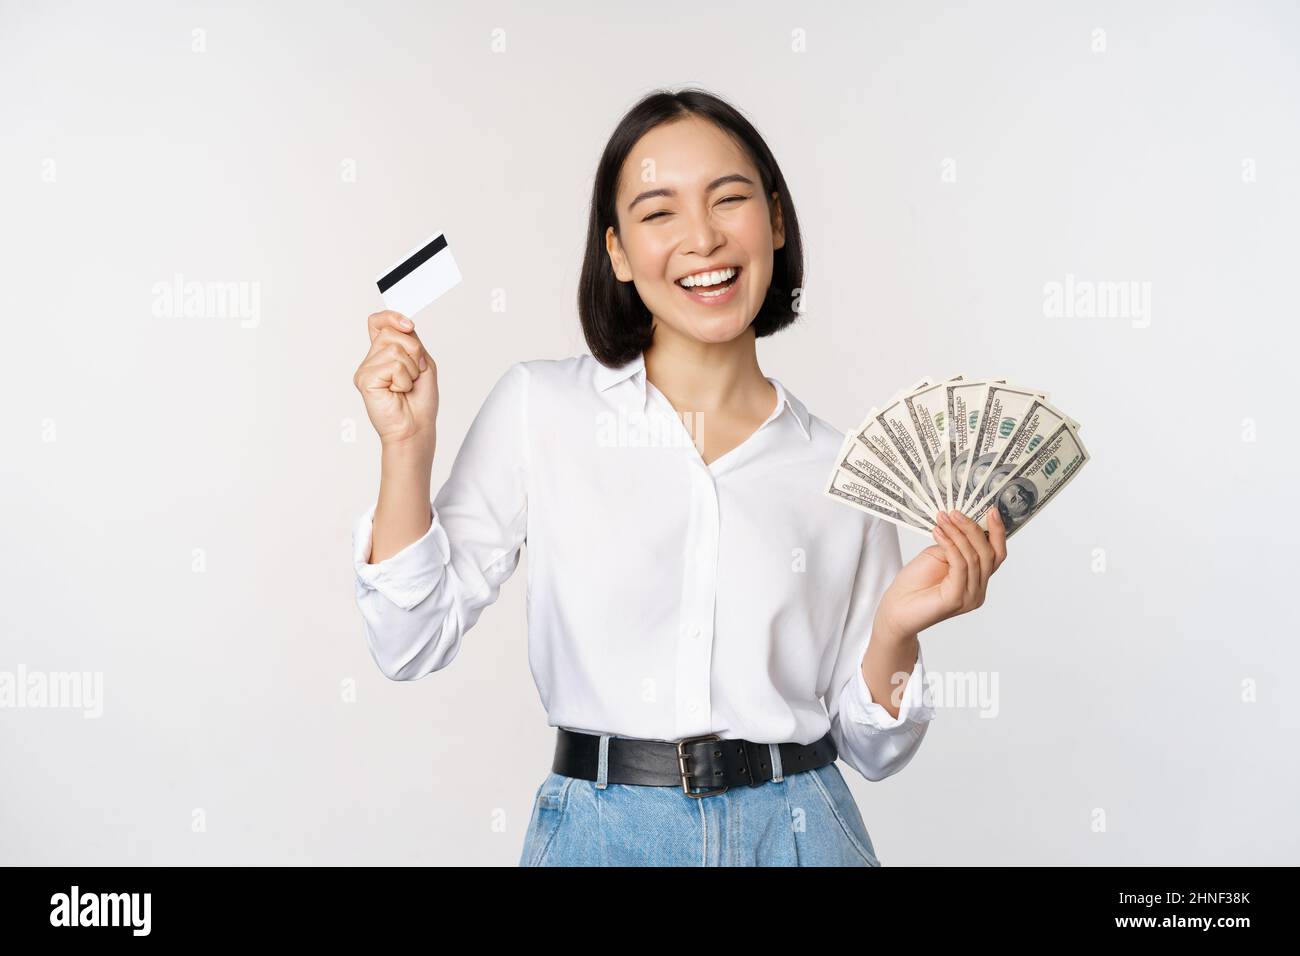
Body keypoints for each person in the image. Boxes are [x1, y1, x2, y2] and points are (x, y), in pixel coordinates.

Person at [350, 88, 1008, 867]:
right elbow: (408, 641)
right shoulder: (541, 407)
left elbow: (875, 749)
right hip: (600, 837)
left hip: (801, 832)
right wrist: (406, 449)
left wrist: (899, 627)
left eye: (729, 200)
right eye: (659, 212)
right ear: (619, 253)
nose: (702, 237)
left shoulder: (842, 469)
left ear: (775, 221)